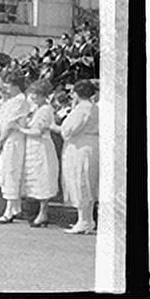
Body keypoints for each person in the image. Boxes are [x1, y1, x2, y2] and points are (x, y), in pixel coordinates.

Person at [52, 78, 99, 234]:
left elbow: (68, 130)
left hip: (80, 147)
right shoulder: (94, 108)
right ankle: (87, 219)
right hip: (90, 145)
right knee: (88, 180)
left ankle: (84, 220)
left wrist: (53, 126)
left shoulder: (81, 109)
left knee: (80, 180)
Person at [17, 79, 60, 227]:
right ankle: (35, 210)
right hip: (32, 146)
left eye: (37, 94)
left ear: (44, 95)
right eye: (33, 93)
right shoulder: (36, 108)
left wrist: (20, 129)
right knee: (34, 177)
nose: (34, 96)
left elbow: (38, 131)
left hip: (41, 146)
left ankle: (43, 212)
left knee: (43, 177)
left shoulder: (46, 109)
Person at [0, 71, 29, 223]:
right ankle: (16, 207)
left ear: (15, 86)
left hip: (13, 140)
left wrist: (1, 141)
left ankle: (9, 210)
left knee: (11, 171)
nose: (6, 88)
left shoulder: (20, 101)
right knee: (5, 171)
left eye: (8, 85)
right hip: (8, 139)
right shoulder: (11, 101)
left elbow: (10, 124)